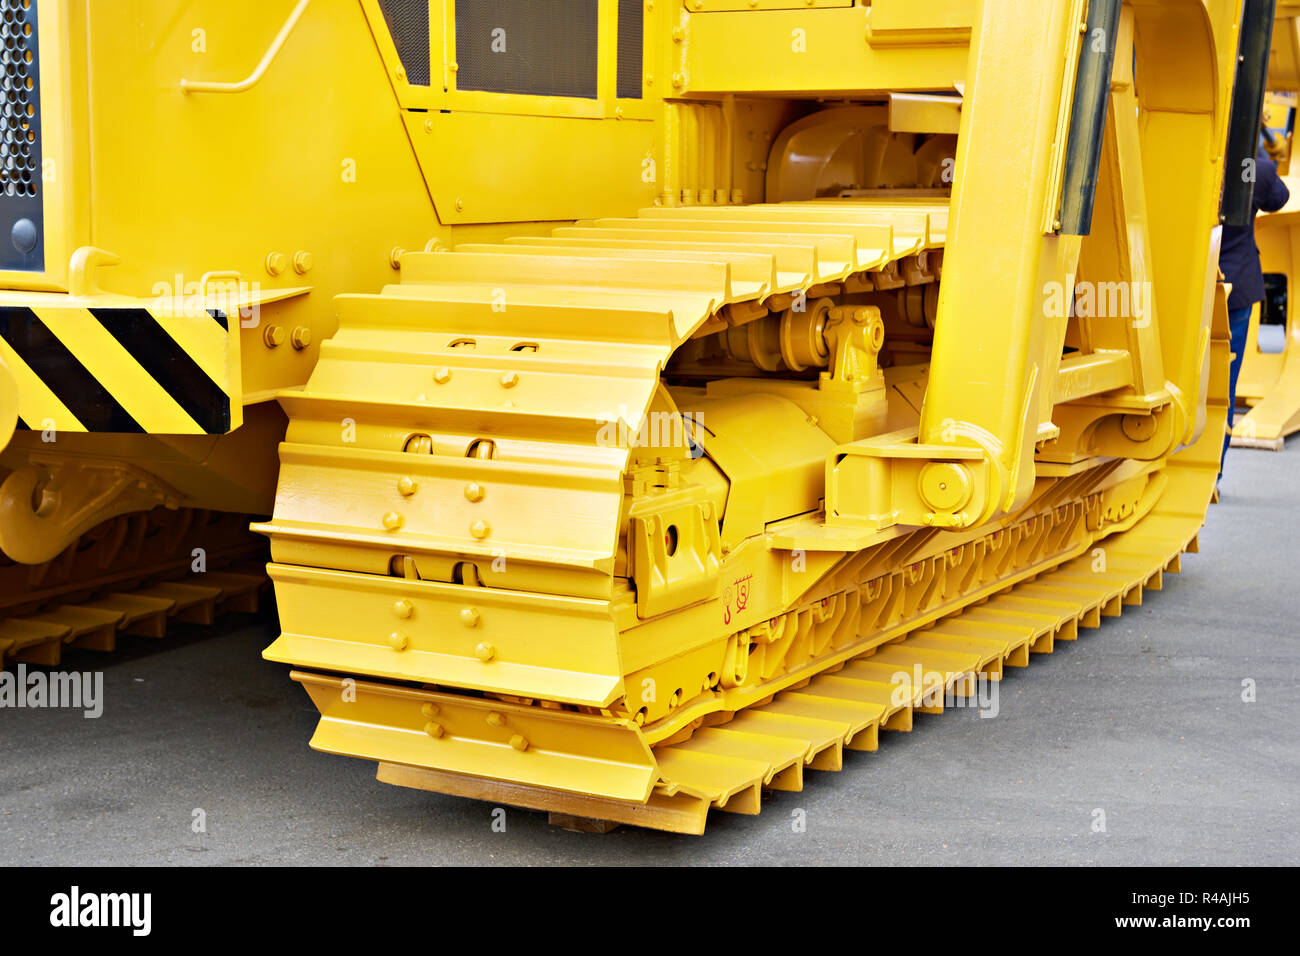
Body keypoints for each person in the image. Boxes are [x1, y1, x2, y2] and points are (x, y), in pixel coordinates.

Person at [1218, 144, 1290, 478]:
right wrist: (1255, 145)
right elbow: (1279, 197)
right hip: (1234, 286)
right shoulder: (1250, 167)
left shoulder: (1187, 152)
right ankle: (1211, 471)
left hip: (1183, 283)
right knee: (1223, 381)